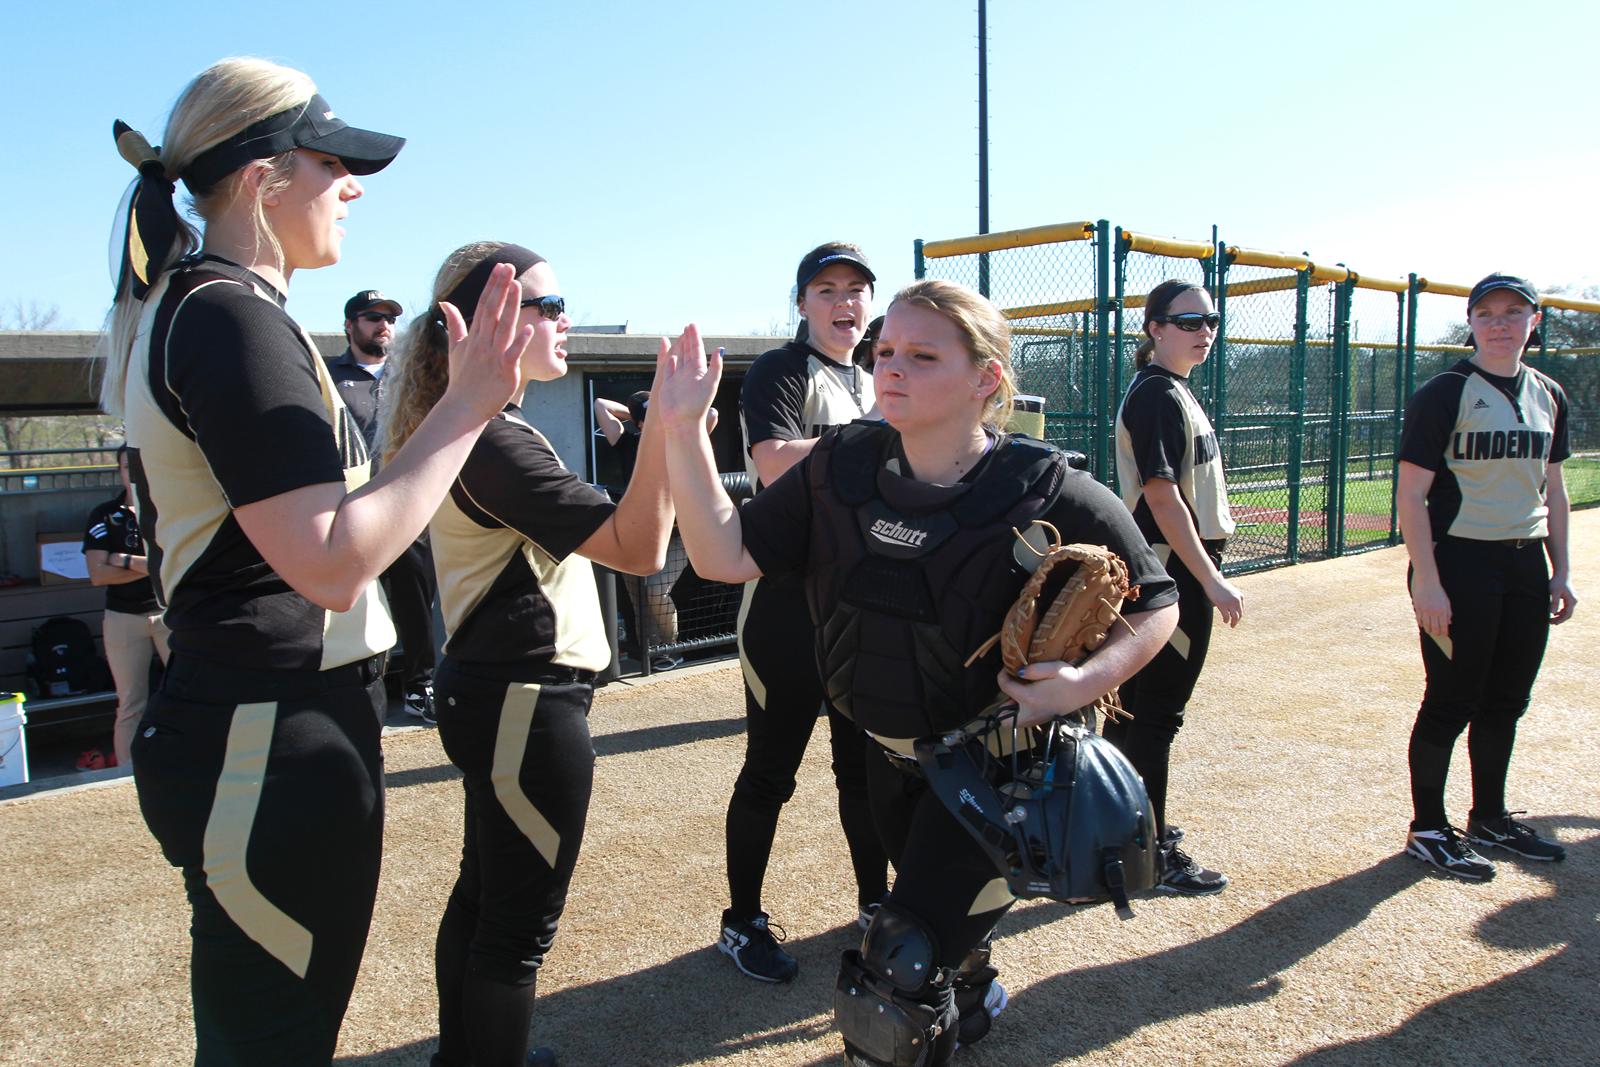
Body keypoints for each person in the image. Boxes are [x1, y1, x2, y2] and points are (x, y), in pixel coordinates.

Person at [100, 58, 529, 1064]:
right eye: (334, 161)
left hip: (270, 723)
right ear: (262, 175)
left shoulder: (224, 306)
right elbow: (330, 562)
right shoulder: (226, 315)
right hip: (264, 730)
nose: (354, 186)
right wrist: (466, 407)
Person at [656, 278, 1179, 1065]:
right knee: (939, 933)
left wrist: (1084, 680)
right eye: (886, 351)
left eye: (922, 355)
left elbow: (1157, 603)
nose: (890, 367)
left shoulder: (1045, 486)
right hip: (890, 761)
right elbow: (721, 553)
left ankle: (928, 1008)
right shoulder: (841, 467)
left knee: (894, 967)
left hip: (991, 776)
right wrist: (683, 431)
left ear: (987, 380)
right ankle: (969, 995)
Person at [382, 242, 677, 1067]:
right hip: (523, 700)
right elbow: (640, 542)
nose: (563, 319)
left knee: (485, 895)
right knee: (516, 928)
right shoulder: (492, 441)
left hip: (502, 696)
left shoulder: (484, 429)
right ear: (490, 325)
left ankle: (462, 1058)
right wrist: (667, 427)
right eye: (546, 305)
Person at [717, 242, 890, 983]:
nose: (843, 302)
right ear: (802, 303)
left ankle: (875, 905)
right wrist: (874, 439)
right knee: (770, 772)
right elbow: (774, 461)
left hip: (860, 606)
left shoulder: (874, 372)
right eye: (826, 289)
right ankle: (741, 920)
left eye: (856, 289)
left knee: (866, 772)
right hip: (786, 607)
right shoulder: (780, 370)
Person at [1397, 272, 1577, 881]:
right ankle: (1428, 827)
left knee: (1506, 700)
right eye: (1488, 313)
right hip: (1461, 563)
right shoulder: (1445, 393)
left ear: (1535, 321)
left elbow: (1553, 487)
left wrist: (1562, 571)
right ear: (1471, 322)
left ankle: (1490, 817)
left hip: (1525, 562)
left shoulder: (1548, 392)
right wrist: (1427, 579)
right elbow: (1413, 495)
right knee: (1451, 699)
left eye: (1514, 312)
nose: (1500, 323)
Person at [1105, 279, 1242, 895]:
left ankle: (1120, 834)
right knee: (1155, 717)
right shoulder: (1158, 394)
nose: (1203, 331)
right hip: (1170, 569)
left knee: (1133, 715)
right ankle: (1148, 855)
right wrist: (1209, 580)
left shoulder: (1172, 390)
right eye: (1187, 321)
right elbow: (1162, 497)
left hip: (1164, 566)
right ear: (1154, 328)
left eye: (1210, 320)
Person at [329, 288, 440, 722]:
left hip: (409, 513)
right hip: (353, 515)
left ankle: (419, 686)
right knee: (355, 602)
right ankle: (357, 690)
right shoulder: (330, 378)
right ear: (349, 325)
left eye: (389, 318)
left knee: (416, 604)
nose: (383, 325)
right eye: (372, 317)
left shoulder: (410, 377)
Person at [594, 389, 717, 671]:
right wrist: (638, 414)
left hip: (678, 533)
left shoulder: (682, 439)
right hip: (638, 530)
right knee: (638, 597)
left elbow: (711, 415)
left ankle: (670, 649)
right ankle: (651, 653)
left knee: (655, 591)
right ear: (639, 423)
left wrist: (664, 410)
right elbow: (601, 404)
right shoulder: (628, 442)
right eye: (649, 417)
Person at [81, 443, 170, 769]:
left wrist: (123, 560)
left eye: (137, 466)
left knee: (189, 691)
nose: (132, 473)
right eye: (126, 467)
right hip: (123, 619)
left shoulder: (166, 508)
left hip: (167, 614)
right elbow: (98, 574)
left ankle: (191, 761)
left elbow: (170, 566)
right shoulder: (104, 514)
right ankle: (125, 774)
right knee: (130, 703)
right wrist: (145, 565)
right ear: (119, 471)